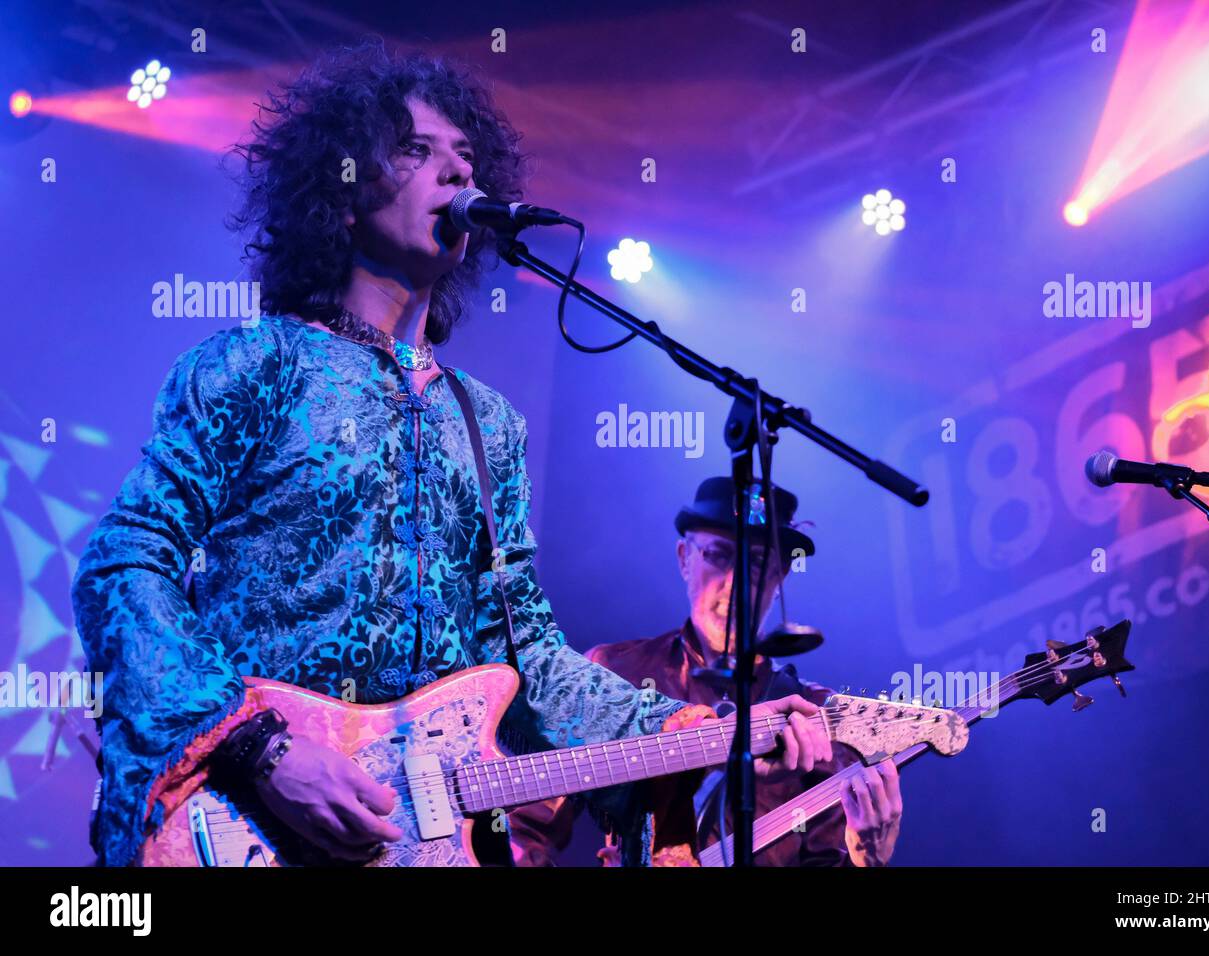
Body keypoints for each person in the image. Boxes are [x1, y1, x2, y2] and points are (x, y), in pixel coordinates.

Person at [70, 41, 827, 867]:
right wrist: (264, 752)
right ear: (345, 189)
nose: (456, 174)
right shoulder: (257, 364)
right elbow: (124, 563)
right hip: (243, 815)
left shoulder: (488, 424)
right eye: (417, 150)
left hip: (409, 838)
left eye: (467, 158)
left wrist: (705, 732)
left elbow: (525, 653)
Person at [510, 477, 903, 866]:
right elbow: (527, 830)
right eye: (719, 555)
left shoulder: (815, 717)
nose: (734, 583)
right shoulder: (613, 673)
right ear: (684, 558)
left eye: (756, 563)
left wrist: (866, 858)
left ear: (780, 577)